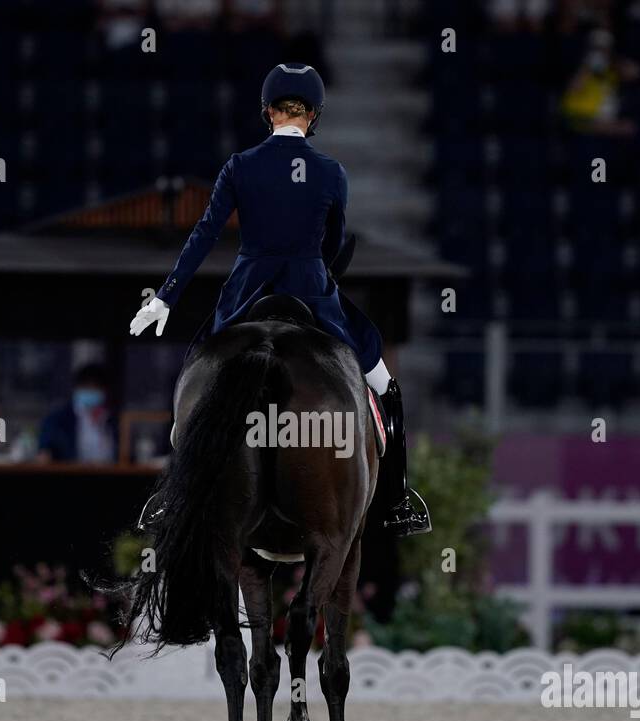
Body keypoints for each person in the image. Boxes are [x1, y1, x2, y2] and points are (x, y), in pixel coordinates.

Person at [128, 63, 430, 536]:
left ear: (268, 112)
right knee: (384, 384)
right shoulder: (332, 173)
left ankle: (172, 493)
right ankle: (396, 500)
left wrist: (165, 298)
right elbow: (333, 243)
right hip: (313, 288)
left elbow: (204, 236)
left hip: (248, 288)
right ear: (313, 115)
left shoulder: (240, 166)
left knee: (195, 378)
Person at [37, 364, 118, 464]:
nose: (91, 391)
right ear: (77, 389)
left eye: (95, 387)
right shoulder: (57, 420)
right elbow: (45, 452)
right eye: (87, 387)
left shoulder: (113, 420)